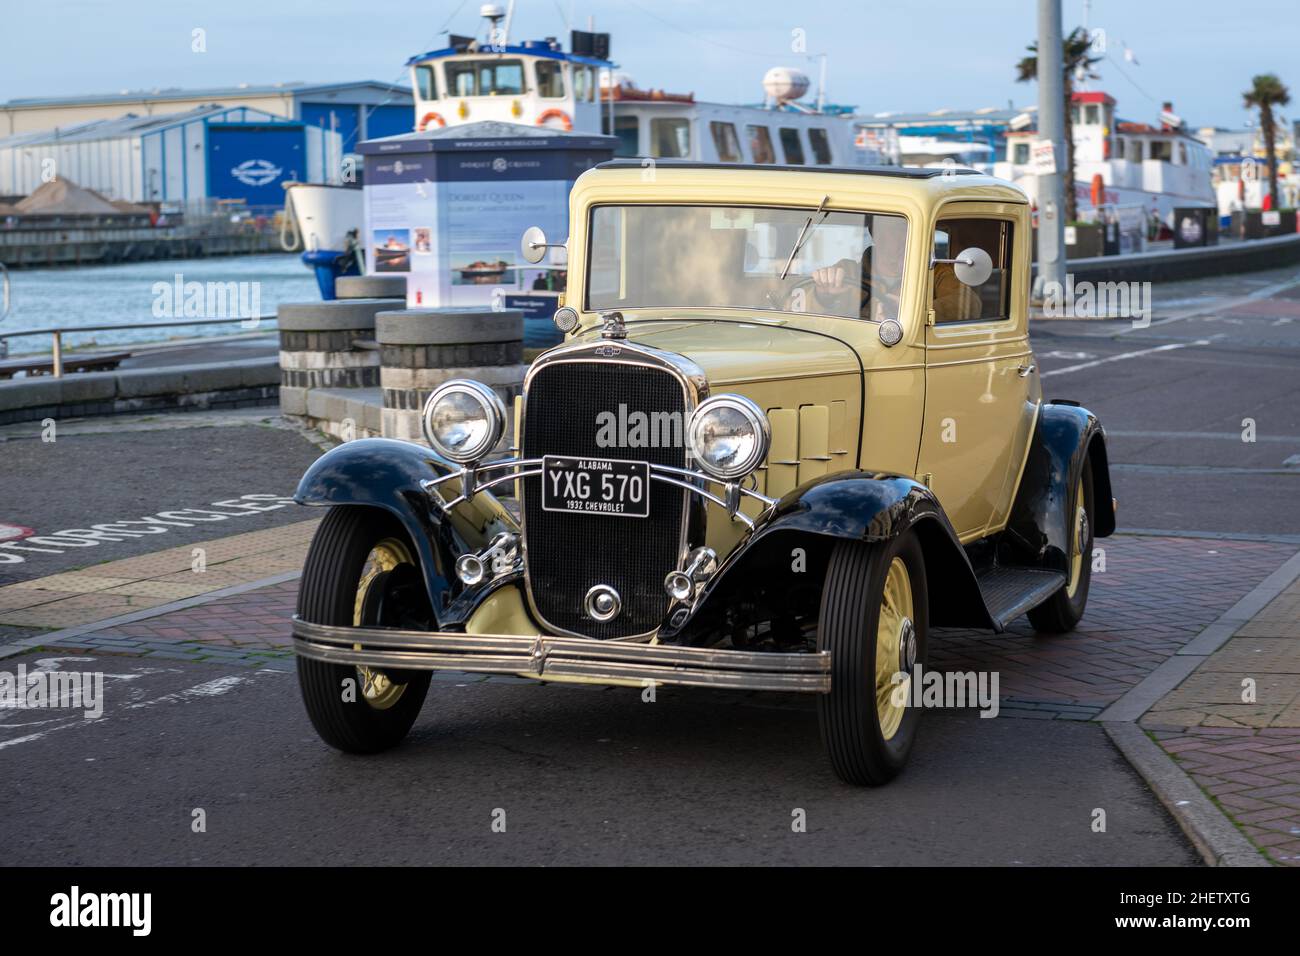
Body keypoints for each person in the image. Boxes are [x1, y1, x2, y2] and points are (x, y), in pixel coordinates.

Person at [808, 217, 980, 322]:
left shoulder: (935, 272)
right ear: (875, 232)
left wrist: (915, 311)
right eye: (892, 229)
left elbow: (969, 304)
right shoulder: (848, 271)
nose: (902, 237)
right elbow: (810, 318)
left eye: (907, 229)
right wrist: (822, 295)